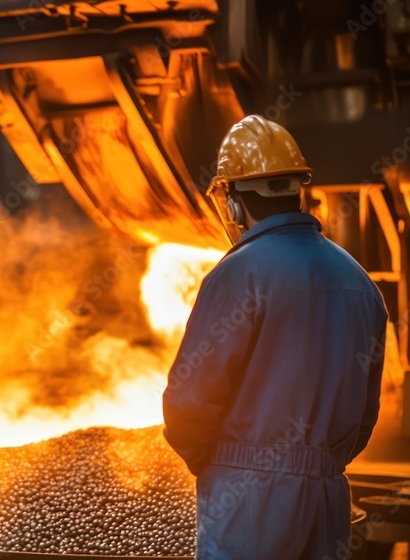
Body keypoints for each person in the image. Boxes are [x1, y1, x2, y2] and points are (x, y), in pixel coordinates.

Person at [162, 115, 388, 559]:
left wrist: (213, 462)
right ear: (297, 191)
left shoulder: (237, 274)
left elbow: (189, 398)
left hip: (246, 493)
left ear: (230, 202)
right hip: (328, 496)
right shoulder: (360, 283)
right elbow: (365, 415)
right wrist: (318, 463)